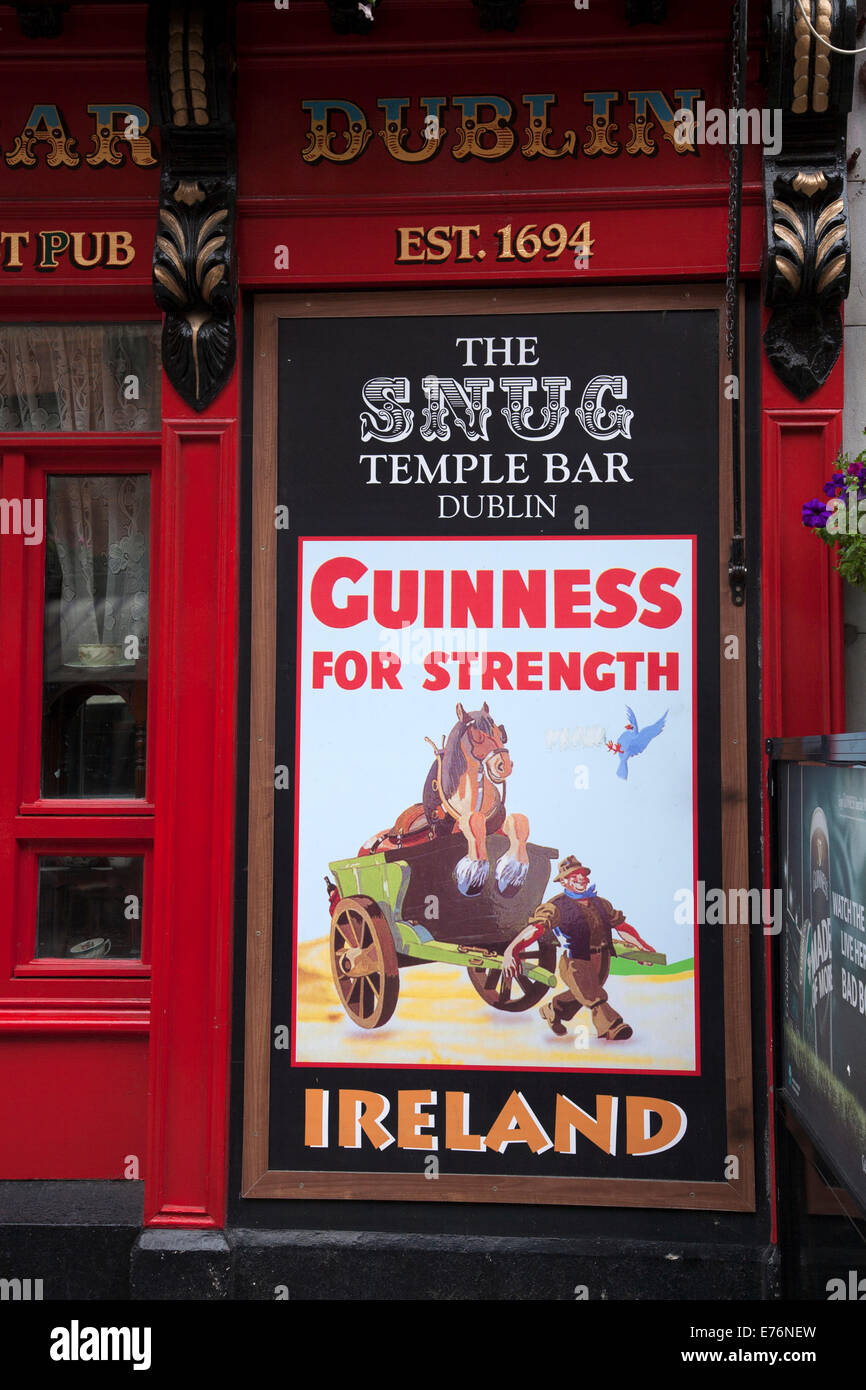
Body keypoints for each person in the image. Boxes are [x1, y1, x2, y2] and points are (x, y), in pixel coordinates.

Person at [501, 855, 655, 1041]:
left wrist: (643, 948)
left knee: (584, 993)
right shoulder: (556, 907)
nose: (580, 878)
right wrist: (512, 950)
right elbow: (535, 929)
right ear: (564, 881)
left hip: (602, 959)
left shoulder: (600, 903)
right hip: (576, 962)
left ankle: (554, 1009)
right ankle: (613, 1026)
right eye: (574, 875)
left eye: (582, 874)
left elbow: (622, 927)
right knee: (594, 997)